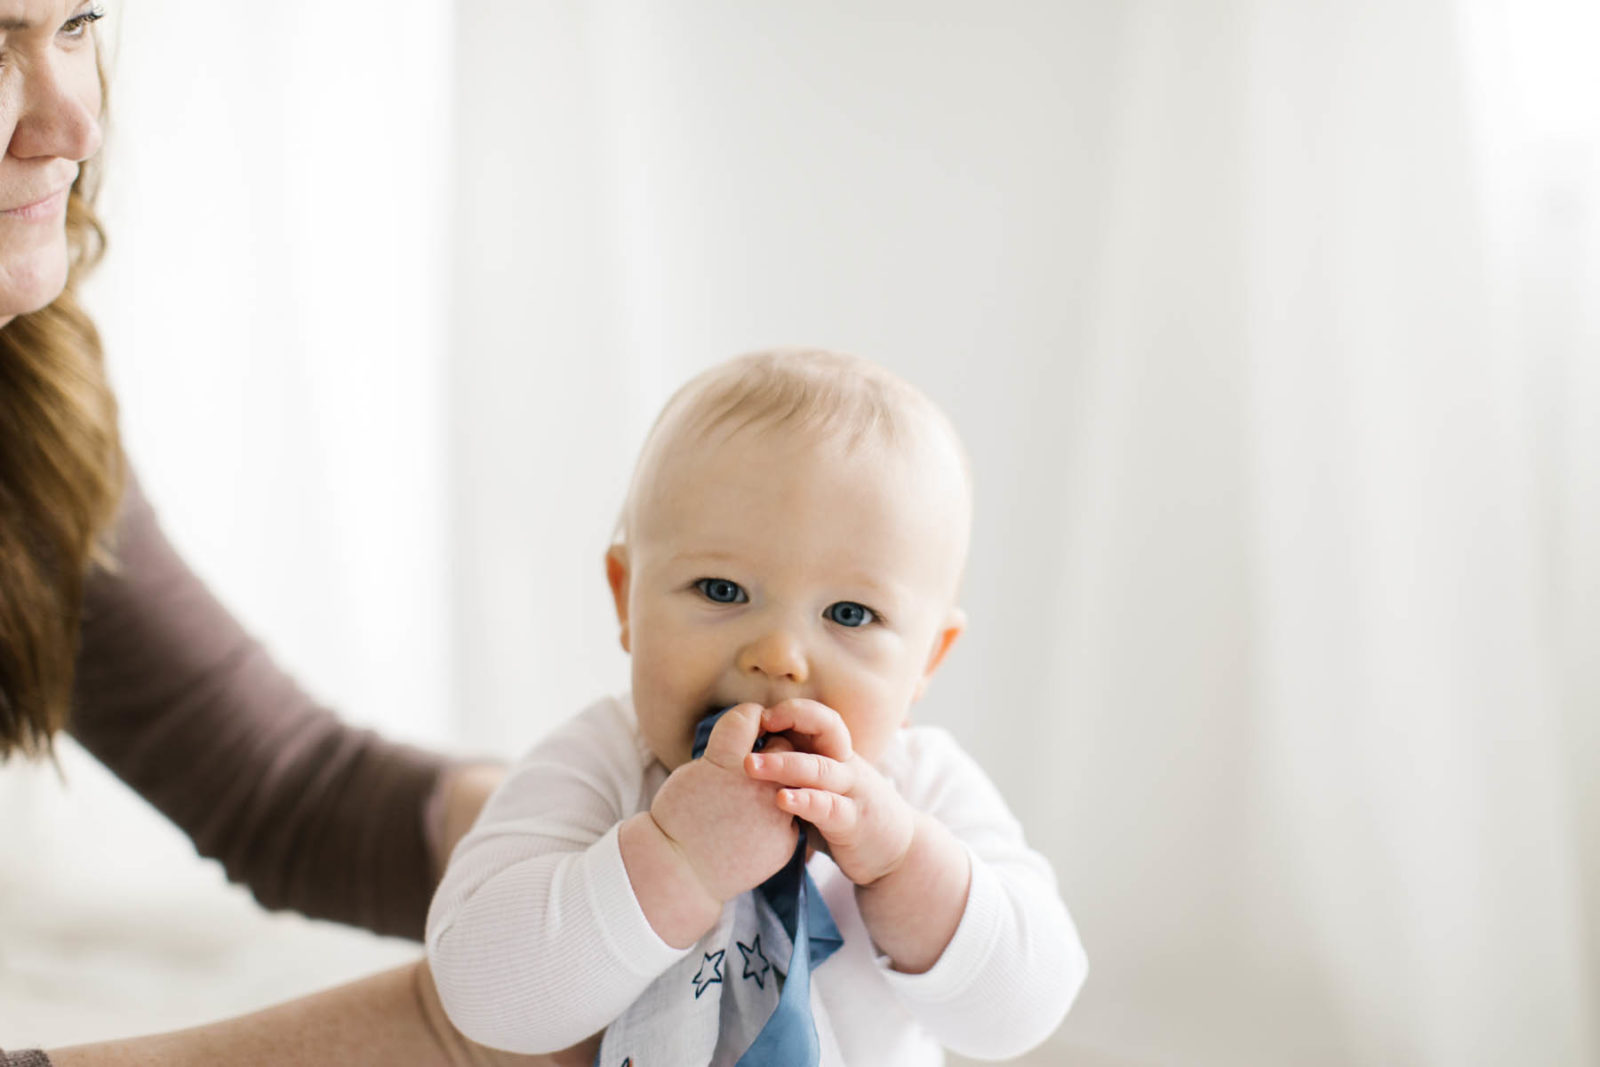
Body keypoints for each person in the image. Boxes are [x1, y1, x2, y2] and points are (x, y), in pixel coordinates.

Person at [0, 4, 574, 1064]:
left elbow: (282, 785)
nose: (73, 126)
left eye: (76, 24)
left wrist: (597, 840)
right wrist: (442, 1025)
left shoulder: (23, 404)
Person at [426, 349, 1088, 1063]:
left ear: (927, 658)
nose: (778, 655)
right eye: (721, 590)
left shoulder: (923, 788)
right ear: (627, 597)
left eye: (850, 612)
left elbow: (1030, 1007)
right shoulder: (599, 762)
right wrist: (675, 863)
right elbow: (478, 988)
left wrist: (903, 866)